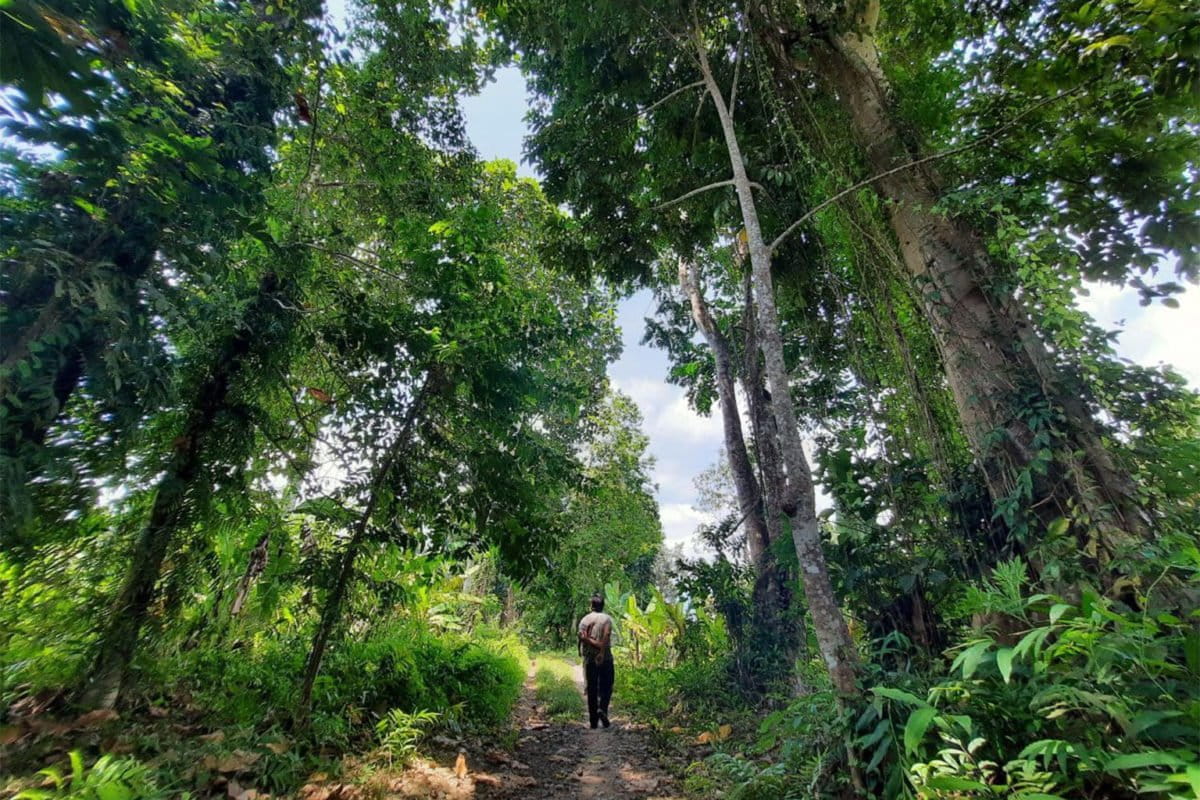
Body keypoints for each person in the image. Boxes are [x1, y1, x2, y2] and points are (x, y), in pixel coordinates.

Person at [577, 593, 614, 729]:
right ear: (603, 606)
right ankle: (602, 709)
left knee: (592, 689)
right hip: (606, 658)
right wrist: (602, 652)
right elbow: (607, 634)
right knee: (607, 686)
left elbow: (582, 637)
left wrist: (588, 643)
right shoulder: (607, 619)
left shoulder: (584, 620)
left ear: (591, 606)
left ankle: (593, 721)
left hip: (590, 658)